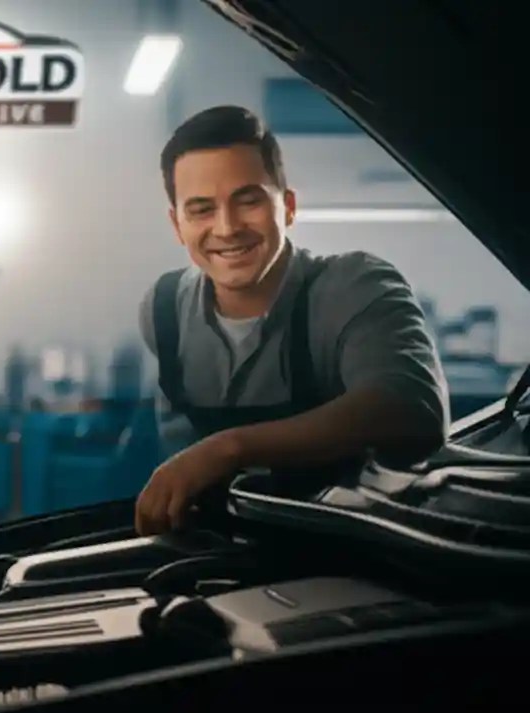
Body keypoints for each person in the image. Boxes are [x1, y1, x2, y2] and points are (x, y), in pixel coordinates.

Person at [133, 105, 449, 536]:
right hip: (215, 559)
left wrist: (229, 449)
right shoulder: (163, 309)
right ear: (177, 224)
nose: (226, 228)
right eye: (201, 209)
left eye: (248, 201)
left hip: (350, 558)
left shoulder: (354, 286)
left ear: (289, 207)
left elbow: (415, 411)